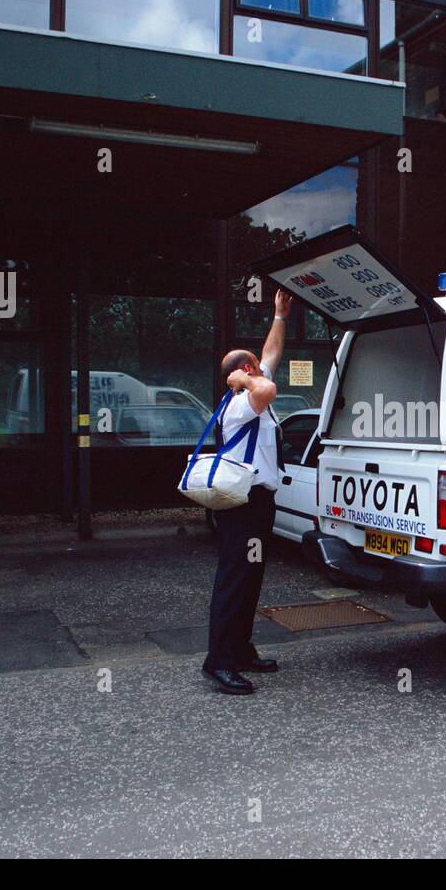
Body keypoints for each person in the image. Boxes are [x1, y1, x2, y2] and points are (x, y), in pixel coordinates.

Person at [201, 288, 291, 695]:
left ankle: (240, 650)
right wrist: (244, 379)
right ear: (245, 372)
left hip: (259, 502)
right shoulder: (241, 402)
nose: (263, 367)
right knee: (234, 580)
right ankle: (218, 661)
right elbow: (267, 387)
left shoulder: (252, 387)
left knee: (250, 578)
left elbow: (271, 357)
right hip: (244, 505)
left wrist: (279, 316)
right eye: (255, 368)